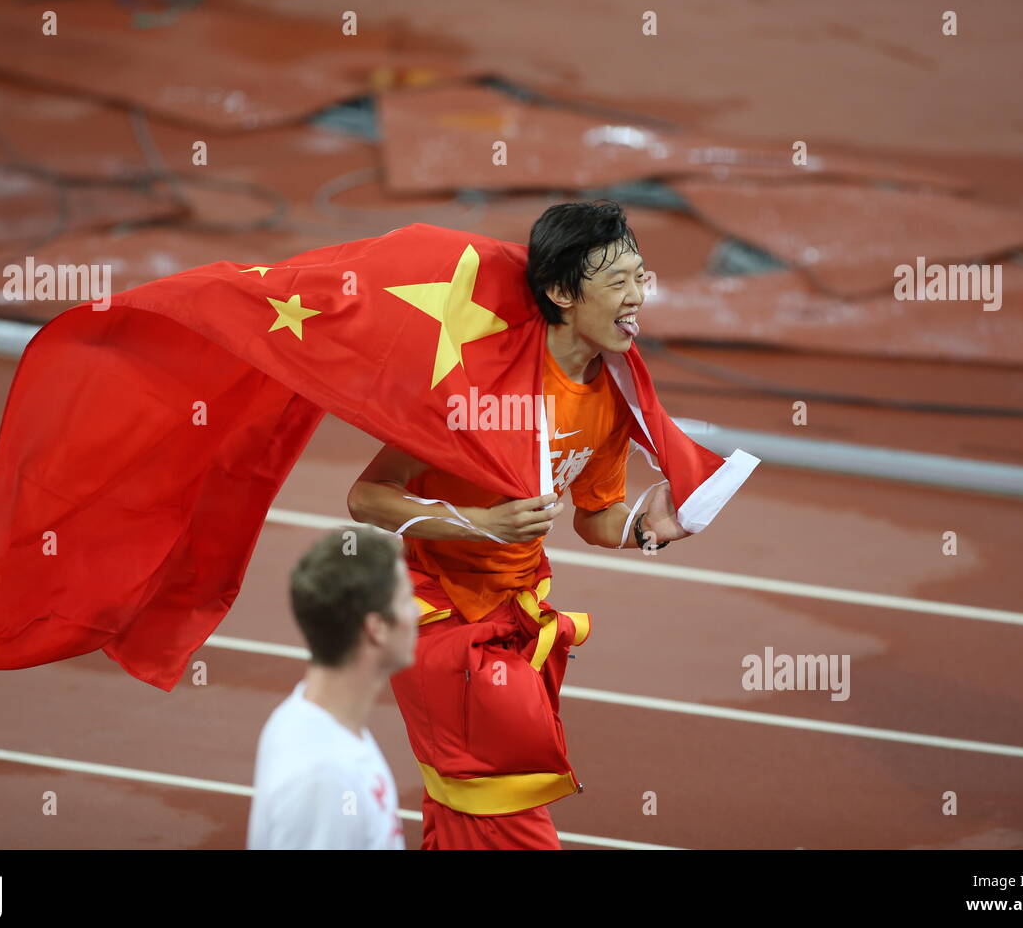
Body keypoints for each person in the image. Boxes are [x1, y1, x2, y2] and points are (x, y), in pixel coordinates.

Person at [346, 200, 693, 849]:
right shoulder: (477, 383)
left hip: (524, 612)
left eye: (640, 277)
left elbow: (596, 516)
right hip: (442, 619)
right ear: (562, 293)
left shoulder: (613, 391)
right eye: (616, 282)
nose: (636, 297)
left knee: (461, 815)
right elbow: (368, 498)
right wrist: (479, 524)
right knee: (508, 807)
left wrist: (646, 526)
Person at [247, 527, 418, 849]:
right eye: (407, 599)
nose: (417, 612)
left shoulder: (308, 718)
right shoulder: (326, 780)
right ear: (376, 628)